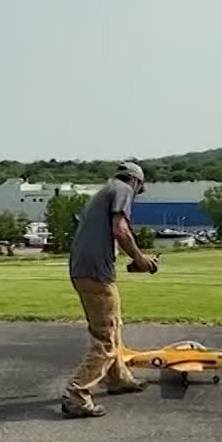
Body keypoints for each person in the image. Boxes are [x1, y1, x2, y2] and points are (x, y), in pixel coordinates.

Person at [60, 160, 159, 418]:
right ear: (136, 182)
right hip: (96, 273)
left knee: (112, 328)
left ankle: (117, 379)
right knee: (105, 338)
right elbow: (121, 230)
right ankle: (76, 393)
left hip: (83, 269)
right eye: (139, 189)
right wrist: (140, 259)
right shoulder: (123, 190)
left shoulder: (105, 191)